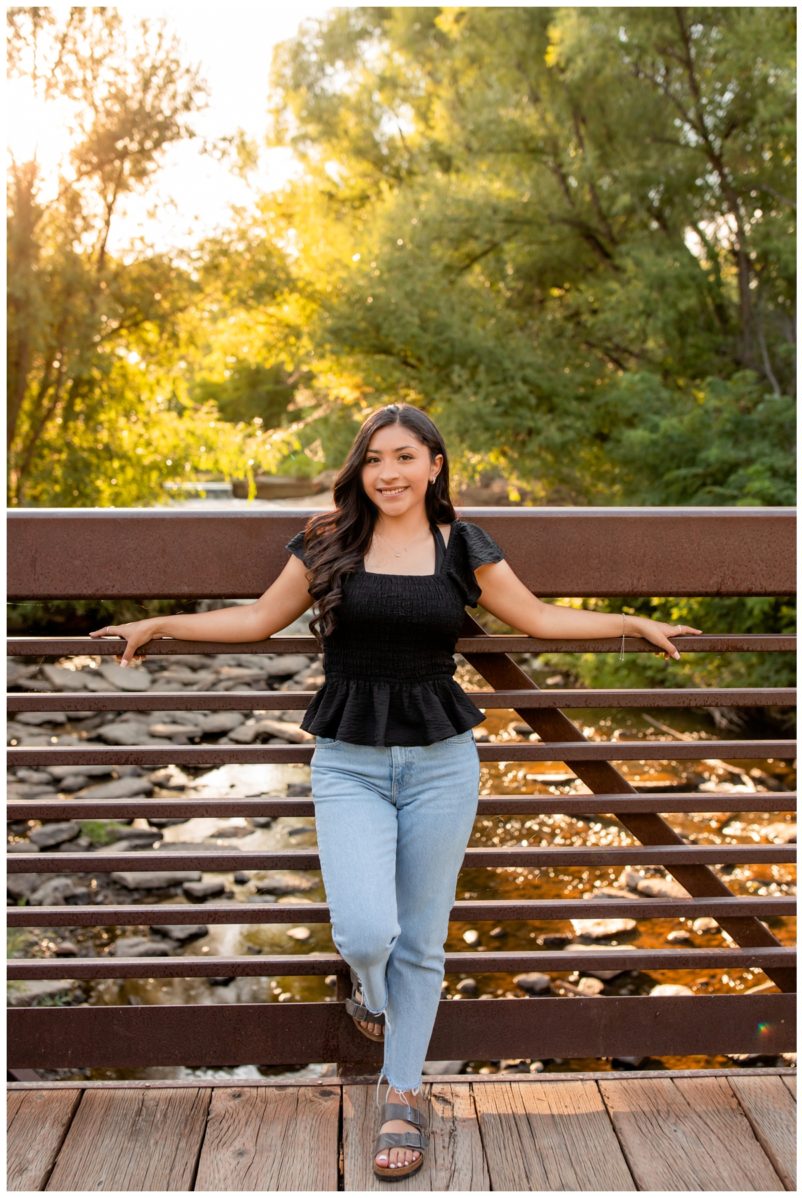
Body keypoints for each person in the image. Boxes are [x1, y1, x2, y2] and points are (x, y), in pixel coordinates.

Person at [91, 403, 700, 1181]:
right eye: (375, 459)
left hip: (443, 761)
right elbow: (259, 620)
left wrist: (630, 624)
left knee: (423, 941)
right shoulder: (327, 539)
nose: (389, 473)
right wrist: (164, 625)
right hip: (348, 762)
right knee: (366, 935)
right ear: (360, 468)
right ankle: (371, 1004)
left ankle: (403, 1093)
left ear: (436, 465)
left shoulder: (463, 545)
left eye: (406, 457)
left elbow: (537, 618)